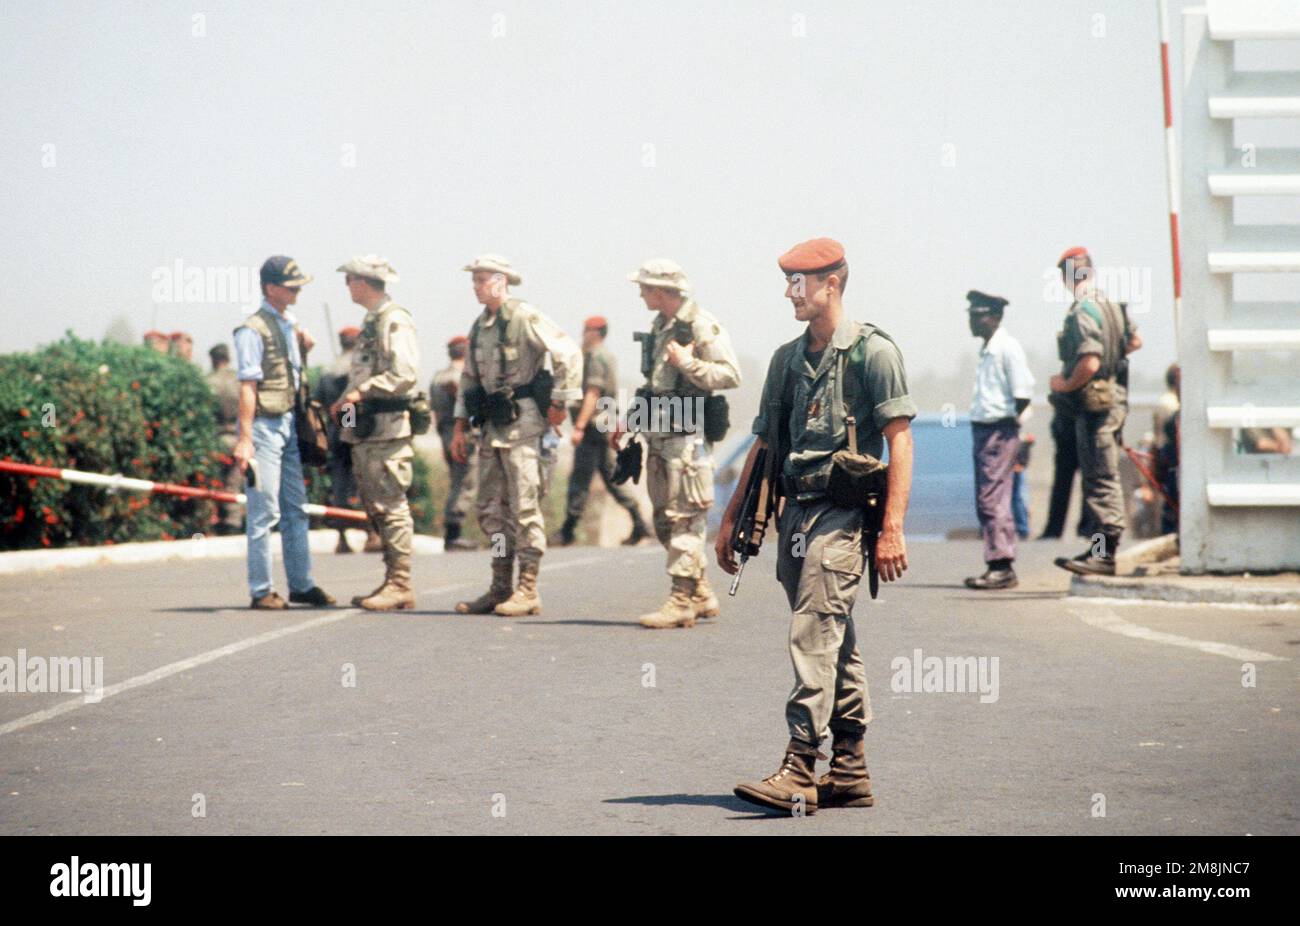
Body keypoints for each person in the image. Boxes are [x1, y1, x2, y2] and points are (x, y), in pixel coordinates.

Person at [719, 237, 915, 815]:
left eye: (797, 283)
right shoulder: (785, 360)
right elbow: (762, 443)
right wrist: (732, 517)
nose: (788, 292)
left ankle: (800, 764)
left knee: (813, 629)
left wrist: (893, 529)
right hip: (795, 513)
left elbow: (900, 441)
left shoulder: (873, 353)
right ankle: (849, 771)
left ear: (831, 284)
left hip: (844, 514)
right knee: (833, 636)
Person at [449, 254, 582, 617]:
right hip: (491, 428)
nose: (475, 286)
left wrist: (561, 402)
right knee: (491, 513)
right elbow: (469, 380)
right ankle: (499, 584)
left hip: (523, 427)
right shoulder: (480, 326)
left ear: (501, 281)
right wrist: (459, 427)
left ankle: (528, 588)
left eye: (481, 279)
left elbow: (568, 353)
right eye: (473, 280)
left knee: (525, 509)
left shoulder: (525, 316)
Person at [622, 259, 741, 629]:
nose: (640, 293)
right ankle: (701, 590)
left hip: (687, 442)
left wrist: (689, 364)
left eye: (645, 287)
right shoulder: (661, 327)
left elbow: (729, 374)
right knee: (663, 521)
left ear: (662, 290)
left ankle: (681, 600)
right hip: (660, 438)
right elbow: (657, 386)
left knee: (685, 520)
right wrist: (630, 421)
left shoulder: (700, 325)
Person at [231, 255, 335, 610]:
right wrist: (245, 439)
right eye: (291, 287)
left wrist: (302, 349)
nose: (297, 292)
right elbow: (248, 386)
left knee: (296, 507)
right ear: (271, 288)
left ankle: (302, 584)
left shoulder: (288, 323)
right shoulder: (251, 329)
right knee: (265, 510)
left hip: (290, 423)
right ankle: (261, 589)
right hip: (264, 426)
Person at [330, 255, 420, 611]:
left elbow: (405, 373)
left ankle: (400, 583)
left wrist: (358, 394)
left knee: (392, 505)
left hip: (387, 430)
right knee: (376, 505)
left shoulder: (394, 320)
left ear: (363, 282)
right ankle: (392, 580)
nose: (347, 286)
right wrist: (344, 404)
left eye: (349, 279)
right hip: (367, 430)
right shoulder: (373, 321)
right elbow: (360, 378)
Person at [1050, 247, 1136, 577]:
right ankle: (1097, 551)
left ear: (1067, 276)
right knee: (1101, 478)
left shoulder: (1083, 311)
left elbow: (1090, 361)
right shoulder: (1111, 306)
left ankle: (1103, 554)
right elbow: (1135, 341)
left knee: (1100, 481)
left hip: (1096, 405)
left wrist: (1065, 383)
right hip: (1113, 400)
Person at [555, 315, 649, 547]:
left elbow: (592, 393)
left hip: (593, 425)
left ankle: (568, 529)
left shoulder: (596, 357)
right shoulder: (605, 356)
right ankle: (639, 522)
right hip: (602, 424)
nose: (582, 334)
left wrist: (579, 427)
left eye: (586, 330)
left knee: (580, 477)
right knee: (610, 475)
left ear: (595, 332)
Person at [963, 290, 1034, 590]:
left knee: (993, 497)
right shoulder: (990, 348)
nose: (971, 321)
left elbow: (1022, 393)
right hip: (987, 429)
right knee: (989, 496)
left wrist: (1008, 426)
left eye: (976, 315)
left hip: (998, 429)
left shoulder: (1007, 348)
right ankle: (998, 562)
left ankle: (1001, 564)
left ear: (992, 317)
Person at [312, 325, 366, 554]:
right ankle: (371, 532)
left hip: (334, 430)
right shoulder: (357, 366)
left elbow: (320, 403)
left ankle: (342, 536)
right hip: (354, 429)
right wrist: (350, 426)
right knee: (365, 479)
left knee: (340, 483)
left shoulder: (329, 368)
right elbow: (350, 404)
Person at [430, 335, 478, 551]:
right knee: (465, 481)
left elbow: (435, 412)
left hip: (445, 432)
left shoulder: (437, 377)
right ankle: (453, 532)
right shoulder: (464, 375)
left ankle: (452, 532)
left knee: (456, 479)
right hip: (463, 433)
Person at [206, 343, 243, 535]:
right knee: (234, 482)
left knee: (215, 480)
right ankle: (233, 522)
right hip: (238, 436)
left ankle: (217, 520)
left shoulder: (208, 382)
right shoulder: (239, 380)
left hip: (216, 436)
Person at [1012, 433, 1034, 539]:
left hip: (1015, 465)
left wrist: (1020, 463)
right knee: (1019, 497)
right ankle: (1022, 528)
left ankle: (1022, 528)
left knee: (1018, 498)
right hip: (1015, 463)